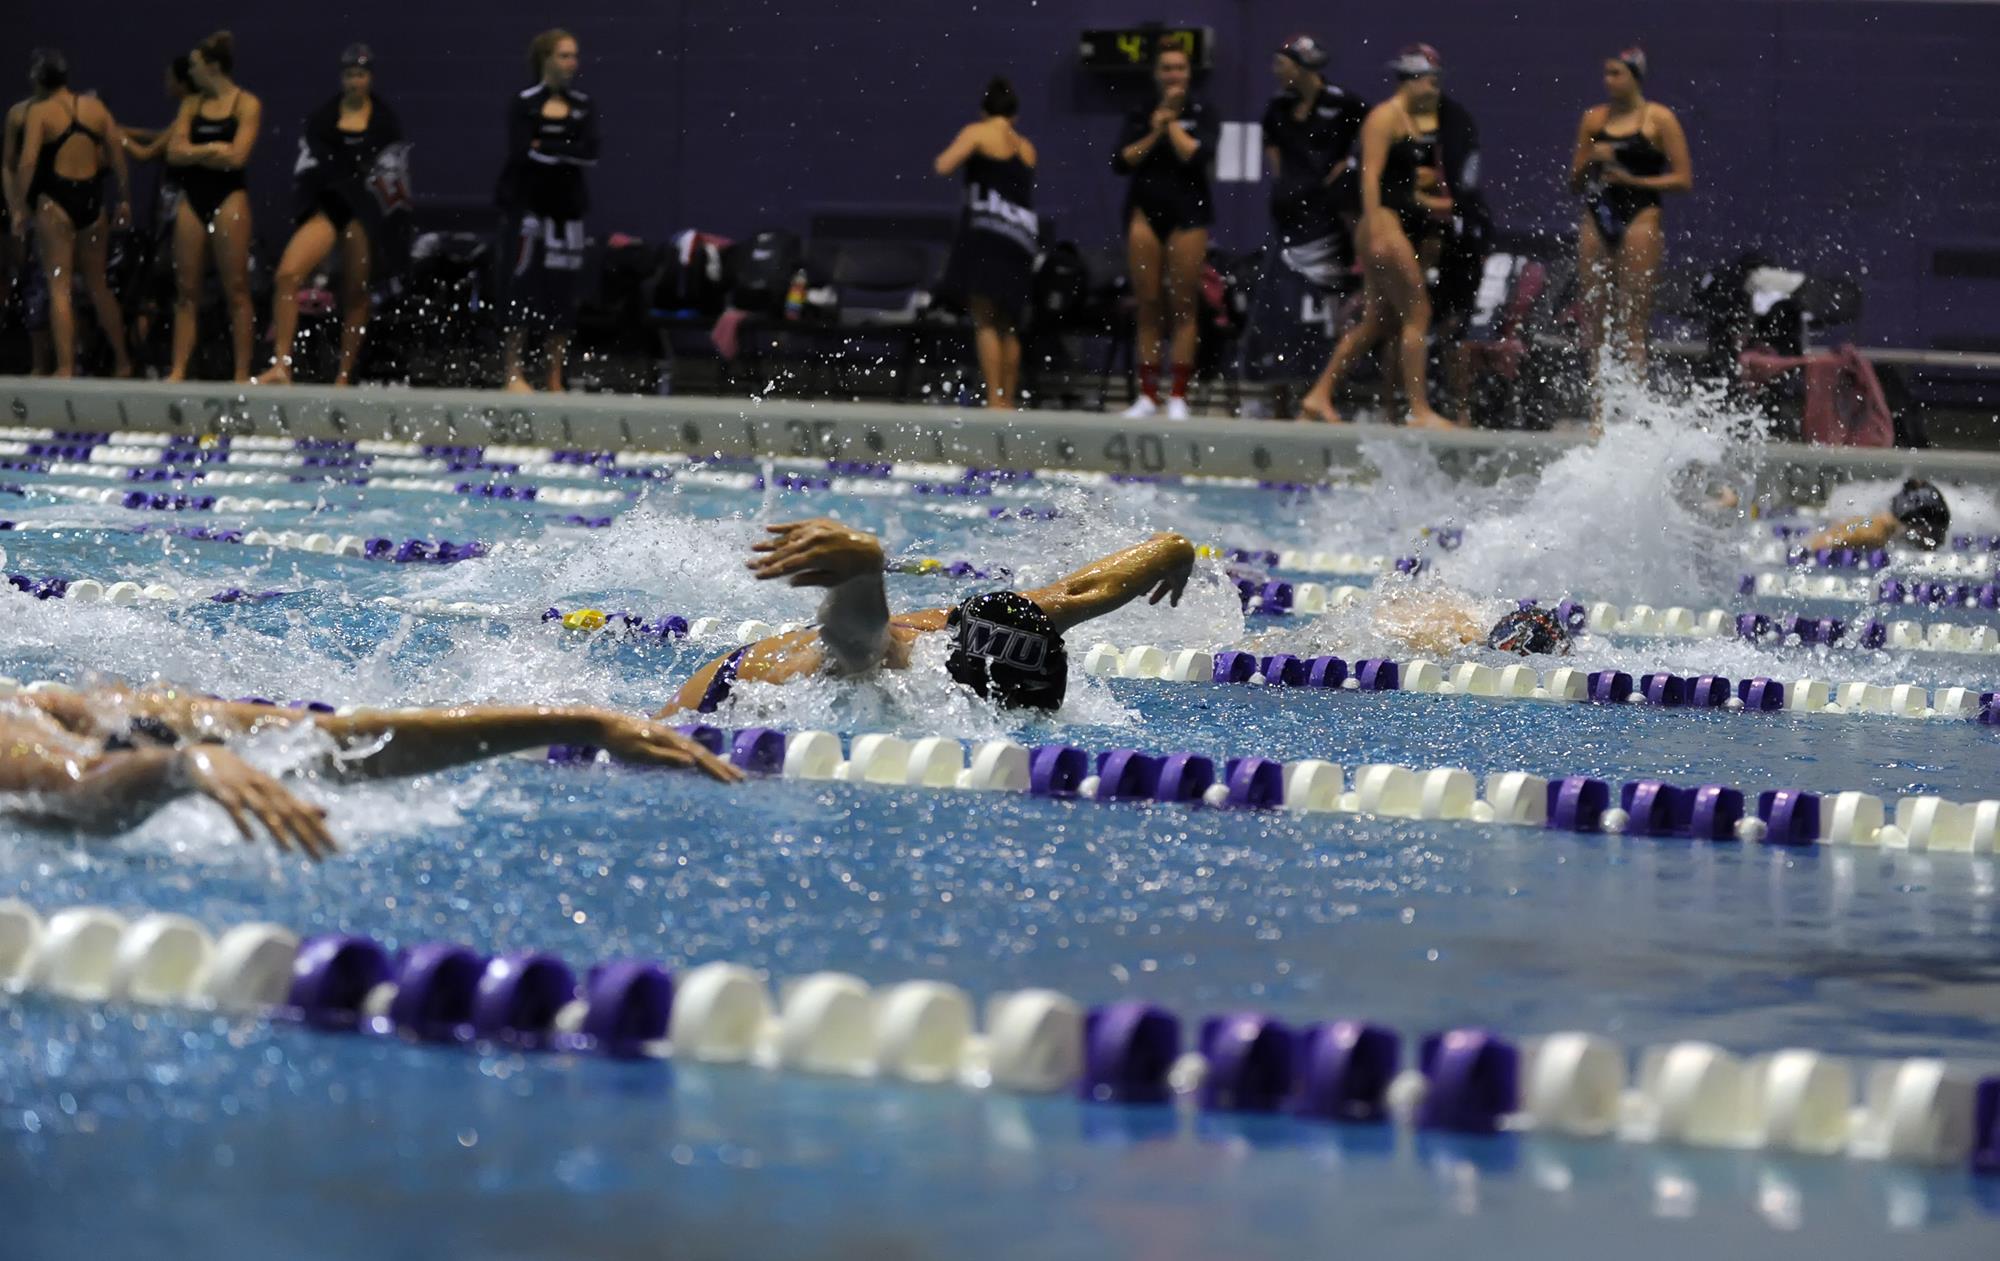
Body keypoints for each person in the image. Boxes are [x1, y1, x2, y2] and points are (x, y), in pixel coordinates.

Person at [0, 685, 743, 860]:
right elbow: (77, 793)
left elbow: (340, 744)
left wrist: (574, 720)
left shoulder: (62, 702)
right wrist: (183, 766)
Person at [659, 519, 1195, 716]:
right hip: (714, 701)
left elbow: (1081, 590)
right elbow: (856, 635)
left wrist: (1170, 550)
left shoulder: (1011, 625)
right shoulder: (894, 659)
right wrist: (865, 572)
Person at [1298, 45, 1456, 429]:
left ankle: (1318, 396)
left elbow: (1397, 187)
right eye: (1432, 82)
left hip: (1390, 223)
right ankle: (1419, 411)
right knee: (1418, 313)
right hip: (1382, 227)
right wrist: (1375, 232)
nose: (1436, 90)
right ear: (1413, 79)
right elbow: (1369, 178)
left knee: (1376, 321)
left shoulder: (1412, 121)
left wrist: (1427, 201)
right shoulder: (1383, 118)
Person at [256, 44, 410, 386]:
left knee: (355, 292)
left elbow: (393, 182)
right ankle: (282, 364)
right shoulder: (323, 120)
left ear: (370, 78)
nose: (355, 82)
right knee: (287, 275)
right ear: (342, 78)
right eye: (350, 75)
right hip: (330, 207)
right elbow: (309, 171)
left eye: (361, 75)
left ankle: (343, 374)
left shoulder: (385, 124)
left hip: (363, 212)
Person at [1568, 47, 1692, 402]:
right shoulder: (1592, 120)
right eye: (1606, 73)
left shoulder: (1659, 119)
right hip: (1598, 213)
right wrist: (1590, 158)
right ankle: (1598, 410)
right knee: (1595, 318)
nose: (1608, 81)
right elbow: (1573, 185)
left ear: (1635, 76)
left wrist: (1631, 181)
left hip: (1642, 215)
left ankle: (1635, 405)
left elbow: (1683, 180)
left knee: (1632, 320)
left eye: (1616, 73)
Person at [7, 49, 135, 379]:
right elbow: (117, 155)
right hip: (93, 201)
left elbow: (27, 162)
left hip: (56, 203)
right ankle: (123, 361)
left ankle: (65, 367)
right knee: (98, 286)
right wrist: (124, 198)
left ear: (38, 79)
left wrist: (19, 206)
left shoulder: (39, 112)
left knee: (59, 286)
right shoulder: (95, 109)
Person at [1111, 45, 1217, 421]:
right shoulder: (1141, 112)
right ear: (1157, 74)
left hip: (1188, 214)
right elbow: (1122, 161)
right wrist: (1155, 129)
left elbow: (1197, 156)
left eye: (1179, 68)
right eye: (1167, 68)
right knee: (1149, 304)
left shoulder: (1203, 112)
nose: (1173, 75)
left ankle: (1177, 394)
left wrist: (1171, 122)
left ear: (1189, 74)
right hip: (1145, 213)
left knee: (1184, 304)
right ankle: (1147, 394)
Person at [495, 28, 598, 394]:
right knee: (520, 287)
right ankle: (513, 372)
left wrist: (549, 144)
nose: (573, 63)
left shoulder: (583, 104)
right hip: (528, 208)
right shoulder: (523, 103)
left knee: (562, 294)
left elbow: (591, 152)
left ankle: (554, 376)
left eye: (575, 56)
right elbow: (524, 152)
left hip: (567, 210)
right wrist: (565, 146)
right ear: (546, 59)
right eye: (565, 56)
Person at [934, 77, 1039, 411]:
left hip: (985, 235)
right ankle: (1007, 399)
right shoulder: (1026, 147)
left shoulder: (977, 133)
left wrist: (971, 145)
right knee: (1010, 322)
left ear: (983, 110)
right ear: (1015, 115)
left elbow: (943, 165)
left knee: (985, 320)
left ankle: (994, 398)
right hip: (1019, 239)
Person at [165, 30, 261, 383]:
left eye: (193, 66)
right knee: (186, 290)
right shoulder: (191, 105)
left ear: (213, 67)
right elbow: (174, 153)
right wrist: (212, 151)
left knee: (235, 288)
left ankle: (240, 372)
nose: (189, 72)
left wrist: (197, 152)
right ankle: (178, 369)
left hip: (229, 199)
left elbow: (237, 157)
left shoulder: (246, 104)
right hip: (194, 199)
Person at [1260, 35, 1368, 290]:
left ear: (1300, 68)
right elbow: (1271, 143)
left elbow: (1374, 133)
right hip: (1293, 204)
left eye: (1280, 64)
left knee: (1331, 278)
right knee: (1294, 277)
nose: (1275, 71)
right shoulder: (1278, 105)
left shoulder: (1342, 103)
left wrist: (1352, 161)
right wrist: (1284, 181)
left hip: (1328, 203)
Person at [117, 56, 198, 363]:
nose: (165, 84)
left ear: (182, 82)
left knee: (156, 289)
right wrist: (130, 130)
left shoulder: (189, 114)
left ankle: (148, 358)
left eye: (169, 78)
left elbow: (147, 152)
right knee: (168, 289)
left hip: (175, 221)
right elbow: (160, 137)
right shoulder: (190, 114)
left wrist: (114, 135)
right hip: (173, 219)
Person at [1804, 479, 1950, 552]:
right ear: (1918, 525)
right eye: (1936, 532)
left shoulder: (1880, 526)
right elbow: (1814, 546)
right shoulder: (1874, 533)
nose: (1940, 540)